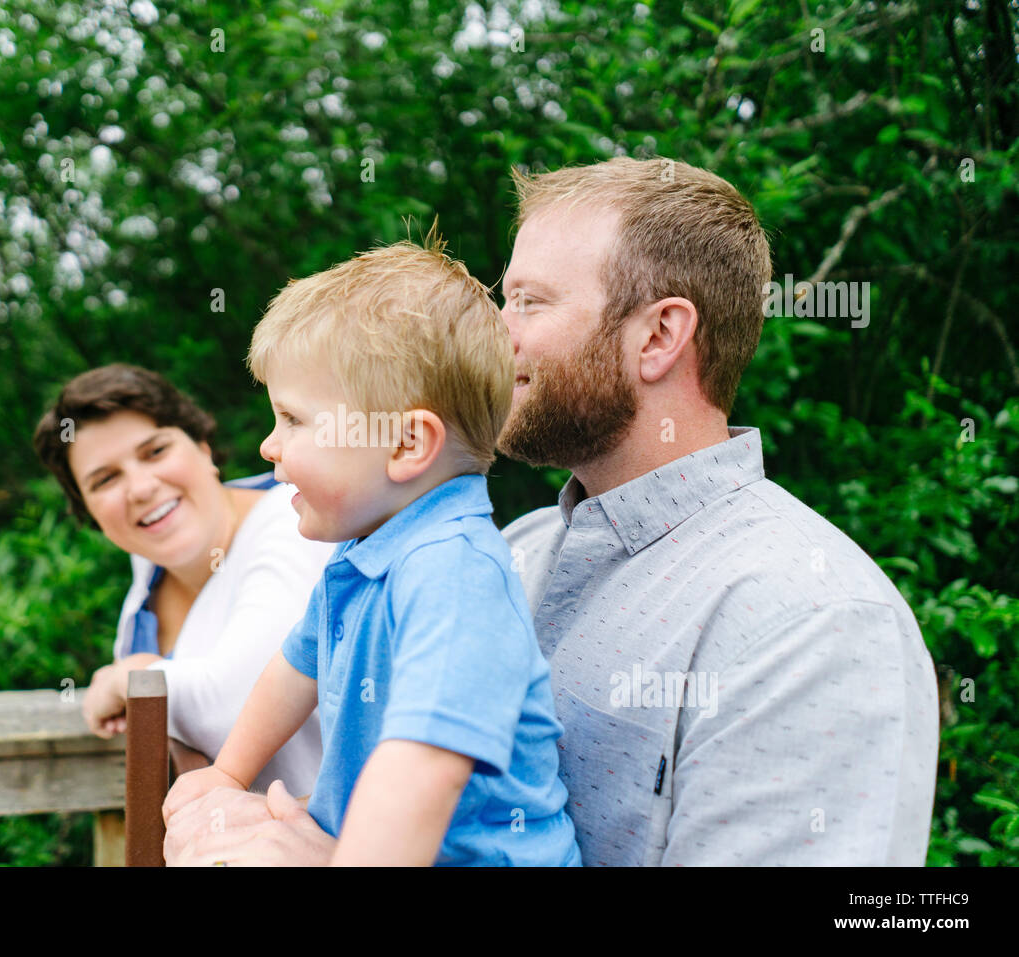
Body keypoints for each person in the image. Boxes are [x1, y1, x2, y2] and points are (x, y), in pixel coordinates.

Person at [163, 158, 939, 866]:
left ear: (660, 336)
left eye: (528, 302)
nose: (493, 334)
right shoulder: (516, 548)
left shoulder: (812, 617)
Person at [162, 234, 582, 866]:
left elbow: (422, 771)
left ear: (407, 446)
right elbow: (294, 668)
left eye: (295, 421)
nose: (269, 448)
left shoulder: (453, 573)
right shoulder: (365, 552)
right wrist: (227, 773)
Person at [32, 364, 333, 794]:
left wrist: (127, 679)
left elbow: (231, 709)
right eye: (105, 480)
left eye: (155, 452)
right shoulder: (147, 571)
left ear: (203, 447)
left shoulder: (294, 522)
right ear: (90, 513)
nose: (140, 488)